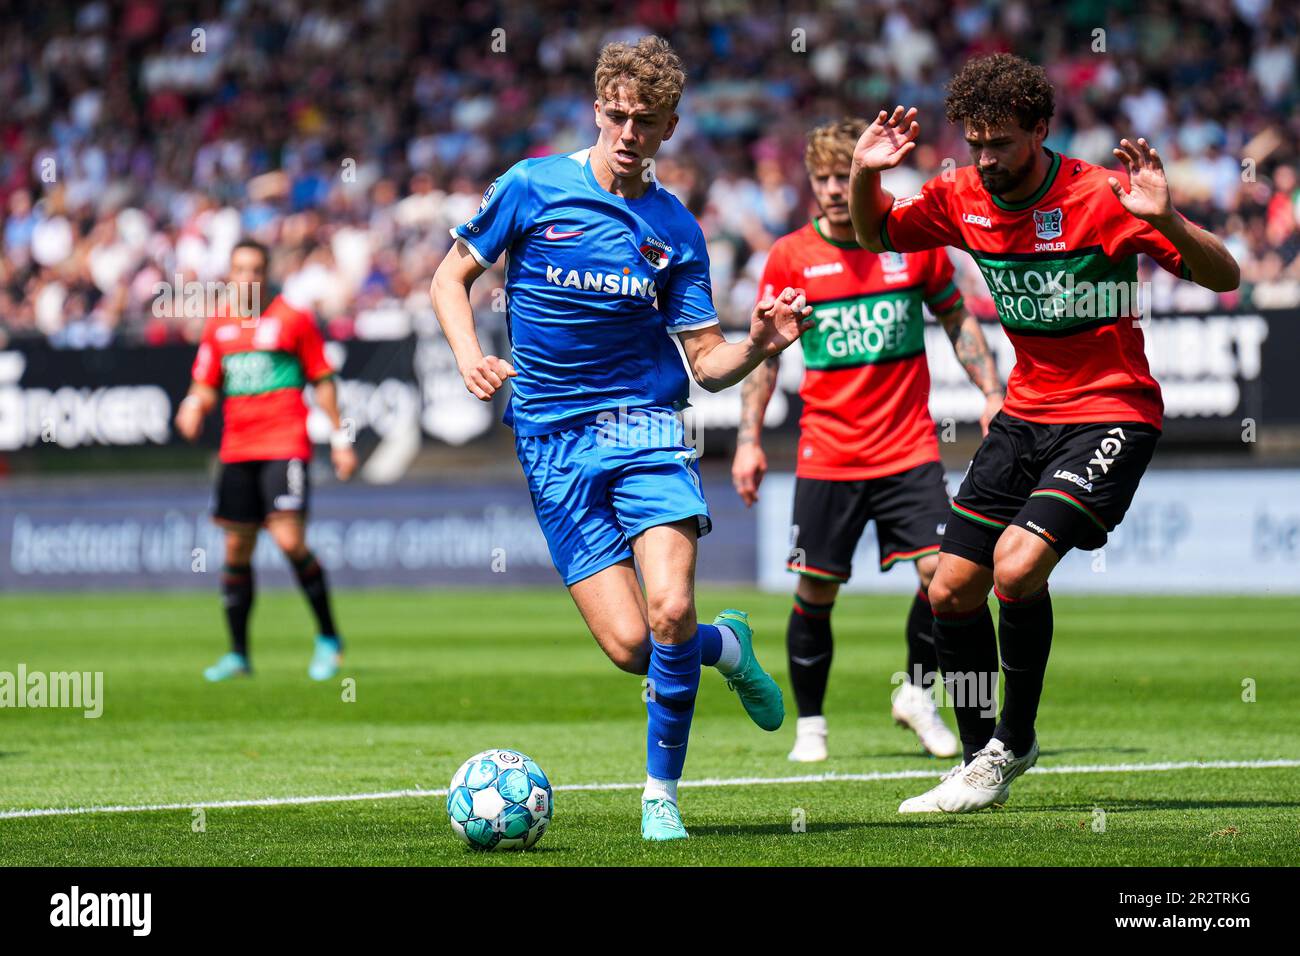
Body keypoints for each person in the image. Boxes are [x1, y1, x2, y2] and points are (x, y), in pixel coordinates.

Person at [431, 36, 812, 840]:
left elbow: (707, 362)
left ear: (670, 126)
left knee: (670, 608)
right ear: (596, 108)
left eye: (646, 120)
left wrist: (762, 344)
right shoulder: (531, 186)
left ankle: (660, 796)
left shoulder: (675, 228)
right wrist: (470, 356)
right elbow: (448, 277)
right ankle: (729, 651)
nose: (628, 131)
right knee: (636, 645)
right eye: (616, 115)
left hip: (646, 431)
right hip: (550, 442)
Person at [847, 53, 1240, 812]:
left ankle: (1012, 742)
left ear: (1041, 129)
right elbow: (875, 237)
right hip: (1026, 413)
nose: (985, 159)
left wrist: (1168, 222)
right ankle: (977, 756)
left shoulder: (1103, 196)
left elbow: (1223, 276)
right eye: (975, 143)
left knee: (1016, 568)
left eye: (1001, 142)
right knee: (952, 589)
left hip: (1110, 411)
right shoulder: (960, 194)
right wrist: (868, 175)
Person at [732, 118, 1004, 763]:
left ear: (870, 174)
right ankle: (812, 726)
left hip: (908, 446)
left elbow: (957, 318)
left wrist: (993, 392)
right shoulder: (790, 256)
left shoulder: (912, 244)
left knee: (946, 576)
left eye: (843, 176)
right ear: (811, 182)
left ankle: (917, 693)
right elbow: (767, 357)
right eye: (822, 178)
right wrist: (748, 438)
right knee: (816, 590)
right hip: (827, 450)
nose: (832, 189)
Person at [175, 239, 358, 682]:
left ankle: (329, 639)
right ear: (230, 275)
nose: (247, 278)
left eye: (255, 269)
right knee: (237, 549)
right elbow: (205, 384)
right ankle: (238, 654)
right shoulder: (218, 328)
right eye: (240, 269)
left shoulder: (293, 320)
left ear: (266, 273)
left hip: (284, 444)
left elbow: (323, 380)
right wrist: (193, 405)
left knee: (289, 541)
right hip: (237, 450)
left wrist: (339, 438)